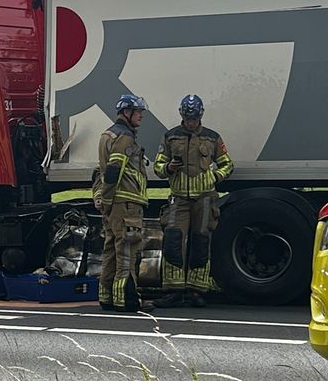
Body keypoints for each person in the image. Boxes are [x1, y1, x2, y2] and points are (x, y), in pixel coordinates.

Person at [153, 94, 234, 306]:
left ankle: (196, 291)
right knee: (173, 240)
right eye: (188, 118)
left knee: (201, 242)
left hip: (205, 199)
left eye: (195, 119)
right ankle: (173, 290)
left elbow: (227, 164)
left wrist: (216, 176)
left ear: (200, 116)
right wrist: (168, 168)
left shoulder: (212, 138)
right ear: (182, 115)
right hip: (178, 198)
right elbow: (157, 166)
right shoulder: (170, 137)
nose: (191, 122)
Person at [95, 93, 154, 313]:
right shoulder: (125, 137)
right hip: (126, 202)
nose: (141, 116)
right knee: (127, 249)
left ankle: (107, 296)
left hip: (115, 203)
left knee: (111, 249)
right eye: (138, 112)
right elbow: (113, 170)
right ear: (126, 112)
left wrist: (101, 198)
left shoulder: (107, 135)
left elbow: (99, 171)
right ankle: (127, 299)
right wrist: (109, 199)